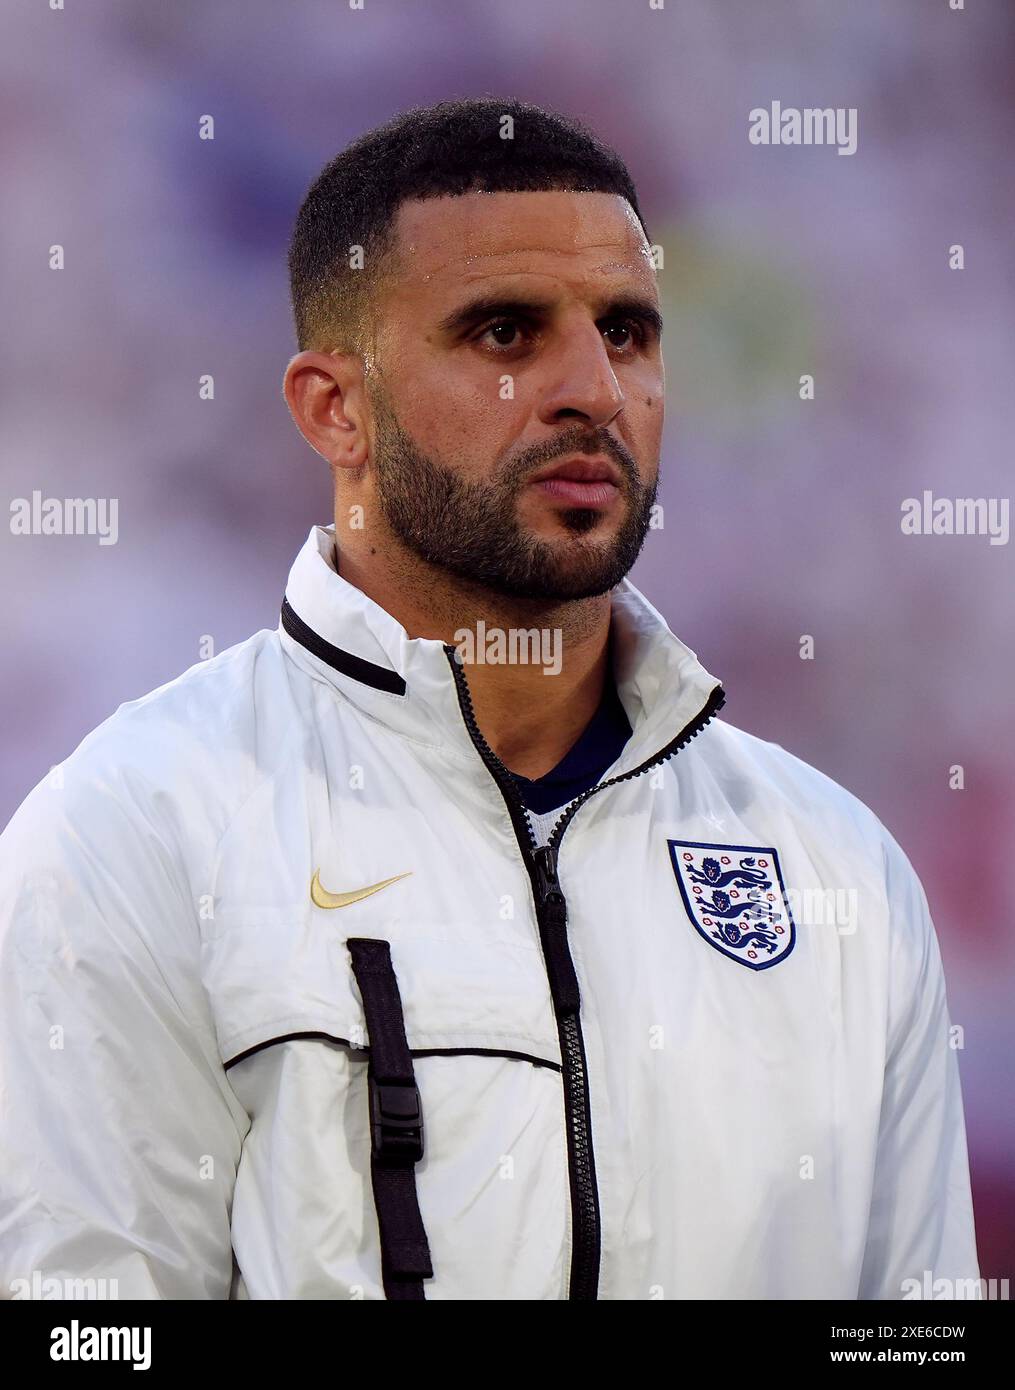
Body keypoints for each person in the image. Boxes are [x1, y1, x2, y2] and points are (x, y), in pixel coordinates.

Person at [0, 97, 980, 1301]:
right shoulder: (131, 834)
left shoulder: (835, 868)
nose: (592, 391)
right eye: (506, 333)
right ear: (334, 409)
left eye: (626, 332)